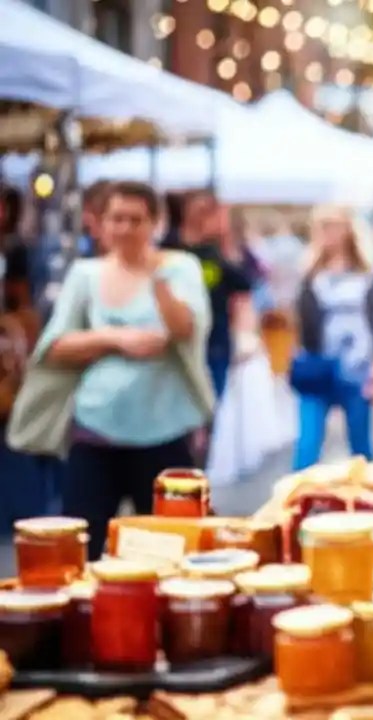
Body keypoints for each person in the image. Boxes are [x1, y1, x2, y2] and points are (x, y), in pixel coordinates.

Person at [33, 181, 213, 558]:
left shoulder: (180, 267)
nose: (126, 229)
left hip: (163, 432)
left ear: (154, 224)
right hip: (96, 431)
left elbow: (186, 330)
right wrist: (114, 338)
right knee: (81, 546)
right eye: (117, 218)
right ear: (101, 223)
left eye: (136, 219)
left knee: (173, 546)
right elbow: (56, 346)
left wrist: (156, 280)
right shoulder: (85, 274)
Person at [293, 206, 373, 469]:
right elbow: (302, 320)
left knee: (361, 445)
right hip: (319, 364)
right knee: (307, 444)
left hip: (358, 365)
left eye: (333, 226)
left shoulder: (368, 274)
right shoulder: (311, 274)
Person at [160, 191, 253, 397]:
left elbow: (243, 286)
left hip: (215, 342)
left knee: (210, 405)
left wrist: (226, 241)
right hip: (176, 344)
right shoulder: (169, 248)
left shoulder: (216, 253)